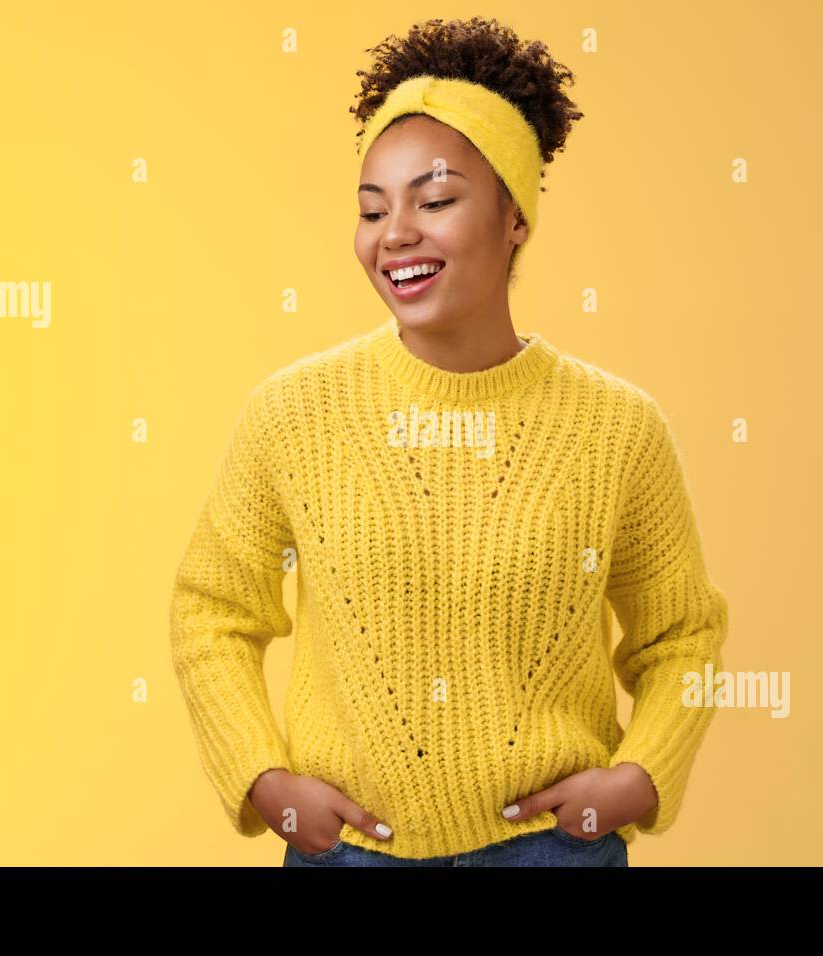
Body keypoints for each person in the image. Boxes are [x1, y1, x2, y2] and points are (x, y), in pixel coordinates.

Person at [168, 16, 729, 868]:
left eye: (434, 201)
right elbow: (211, 611)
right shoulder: (293, 413)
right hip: (348, 855)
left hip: (553, 854)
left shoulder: (619, 429)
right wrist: (263, 781)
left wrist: (642, 776)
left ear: (515, 218)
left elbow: (681, 636)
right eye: (371, 209)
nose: (394, 233)